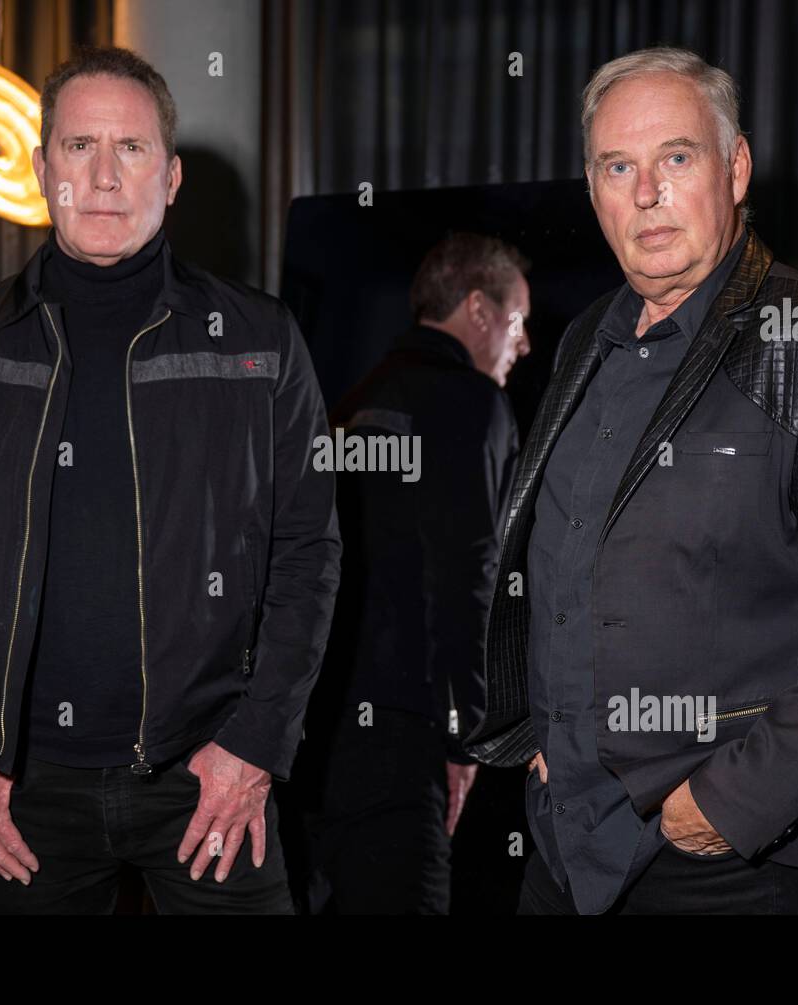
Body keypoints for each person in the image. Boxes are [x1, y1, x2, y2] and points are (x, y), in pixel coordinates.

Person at [463, 46, 798, 915]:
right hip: (562, 842)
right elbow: (561, 556)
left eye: (676, 158)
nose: (646, 193)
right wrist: (540, 727)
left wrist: (727, 804)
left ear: (737, 167)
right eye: (617, 166)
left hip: (723, 866)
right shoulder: (581, 342)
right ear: (594, 189)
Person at [0, 45, 340, 914]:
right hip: (24, 789)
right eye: (79, 146)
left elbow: (308, 556)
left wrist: (257, 743)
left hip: (209, 773)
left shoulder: (261, 340)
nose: (102, 175)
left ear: (168, 178)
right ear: (40, 166)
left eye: (129, 149)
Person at [301, 232, 530, 913]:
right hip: (405, 736)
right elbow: (472, 573)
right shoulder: (474, 403)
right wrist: (468, 736)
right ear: (479, 310)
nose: (523, 346)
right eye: (518, 322)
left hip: (316, 732)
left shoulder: (351, 403)